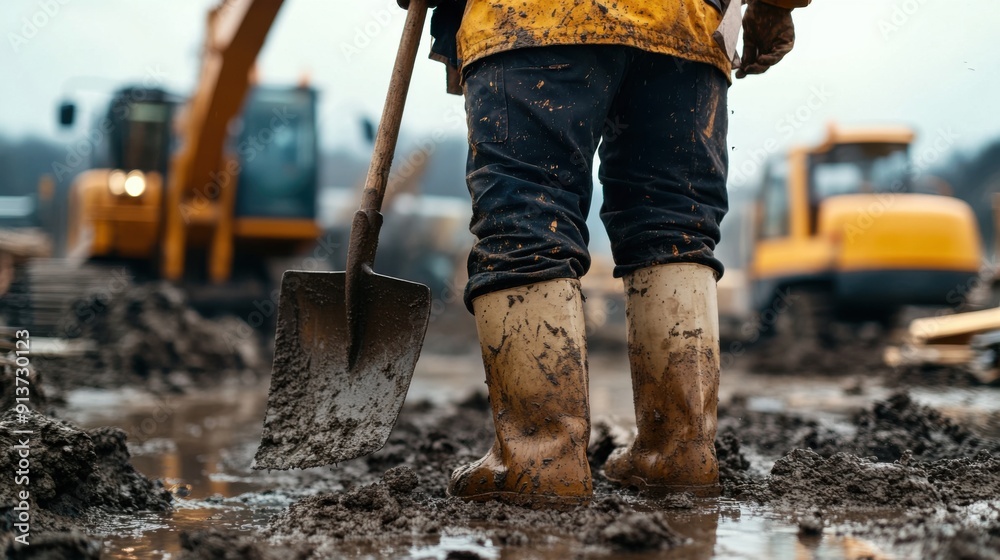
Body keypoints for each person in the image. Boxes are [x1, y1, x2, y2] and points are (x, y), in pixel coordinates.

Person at [397, 0, 810, 507]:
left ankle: (540, 460)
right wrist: (773, 6)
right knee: (675, 226)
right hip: (686, 26)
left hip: (535, 19)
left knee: (527, 218)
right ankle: (679, 452)